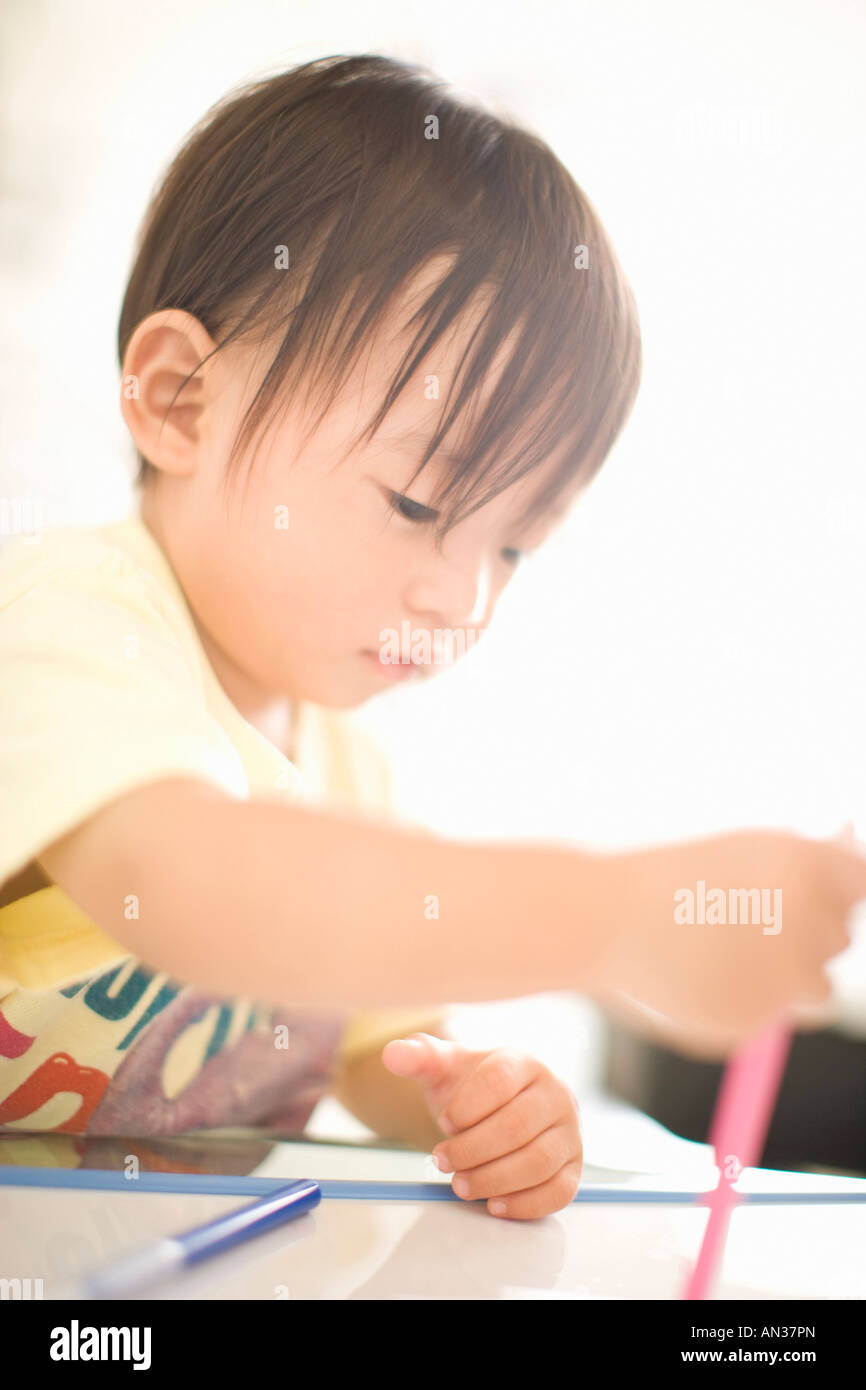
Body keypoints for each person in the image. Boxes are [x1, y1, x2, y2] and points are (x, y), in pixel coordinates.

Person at [1, 54, 864, 1222]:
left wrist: (471, 1102)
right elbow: (190, 883)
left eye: (513, 547)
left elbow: (373, 1038)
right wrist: (612, 918)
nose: (464, 600)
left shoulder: (345, 764)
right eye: (417, 504)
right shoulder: (69, 623)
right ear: (178, 400)